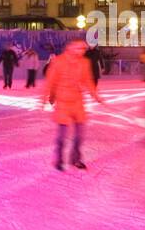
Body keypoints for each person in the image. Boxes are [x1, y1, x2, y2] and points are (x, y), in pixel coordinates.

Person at [42, 39, 102, 170]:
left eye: (83, 49)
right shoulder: (58, 61)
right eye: (79, 48)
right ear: (70, 48)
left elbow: (88, 80)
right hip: (63, 103)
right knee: (62, 136)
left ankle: (75, 158)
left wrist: (95, 95)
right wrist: (44, 98)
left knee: (79, 136)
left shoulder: (84, 63)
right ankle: (59, 160)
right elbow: (50, 81)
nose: (82, 51)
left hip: (77, 102)